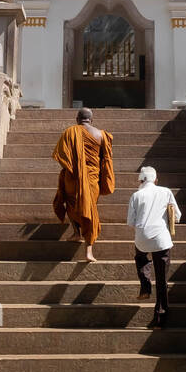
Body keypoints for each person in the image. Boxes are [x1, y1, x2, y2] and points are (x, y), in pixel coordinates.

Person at [52, 107, 115, 261]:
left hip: (72, 178)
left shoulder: (70, 132)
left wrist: (74, 169)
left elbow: (62, 156)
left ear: (77, 119)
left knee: (71, 204)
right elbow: (105, 160)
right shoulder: (101, 135)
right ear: (91, 120)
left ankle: (76, 233)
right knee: (90, 208)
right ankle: (89, 251)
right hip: (93, 179)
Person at [127, 165, 180, 327]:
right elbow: (177, 216)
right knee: (162, 280)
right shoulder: (166, 192)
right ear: (156, 180)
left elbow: (131, 222)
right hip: (161, 239)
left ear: (141, 180)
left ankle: (145, 285)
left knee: (141, 257)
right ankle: (160, 318)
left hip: (142, 239)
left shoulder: (136, 195)